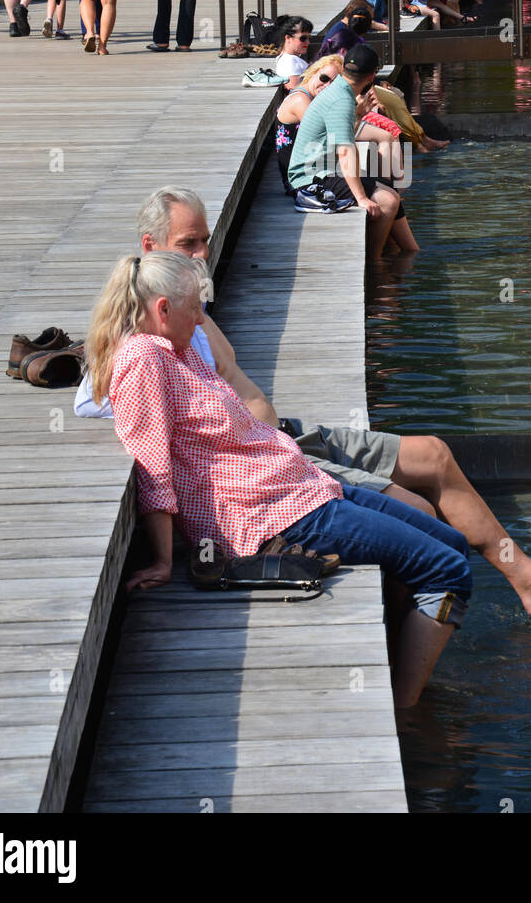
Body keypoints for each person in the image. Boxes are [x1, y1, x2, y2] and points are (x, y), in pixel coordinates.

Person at [74, 186, 531, 618]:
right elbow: (118, 410)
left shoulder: (183, 317)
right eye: (187, 244)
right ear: (150, 248)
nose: (201, 256)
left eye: (204, 242)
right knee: (420, 509)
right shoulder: (152, 344)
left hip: (281, 440)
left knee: (438, 456)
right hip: (267, 469)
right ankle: (437, 639)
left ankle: (526, 577)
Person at [89, 249, 474, 706]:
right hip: (266, 515)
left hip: (298, 487)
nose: (201, 317)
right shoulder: (142, 362)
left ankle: (402, 658)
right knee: (448, 570)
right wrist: (161, 559)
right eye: (195, 306)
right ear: (163, 309)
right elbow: (153, 465)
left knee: (453, 544)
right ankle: (408, 710)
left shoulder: (175, 349)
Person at [288, 44, 419, 254]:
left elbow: (340, 139)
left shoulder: (341, 90)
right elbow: (345, 152)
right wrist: (361, 199)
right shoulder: (340, 99)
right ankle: (376, 263)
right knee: (387, 200)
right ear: (372, 76)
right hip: (311, 179)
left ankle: (410, 251)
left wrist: (359, 115)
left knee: (389, 191)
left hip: (326, 167)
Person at [276, 54, 343, 191]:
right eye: (324, 78)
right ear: (313, 72)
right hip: (302, 179)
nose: (327, 85)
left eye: (334, 83)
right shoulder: (301, 100)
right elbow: (330, 134)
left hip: (313, 169)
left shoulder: (312, 98)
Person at [273, 15, 313, 89]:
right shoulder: (289, 62)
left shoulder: (287, 59)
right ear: (288, 38)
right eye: (303, 38)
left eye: (309, 38)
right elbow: (295, 91)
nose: (307, 42)